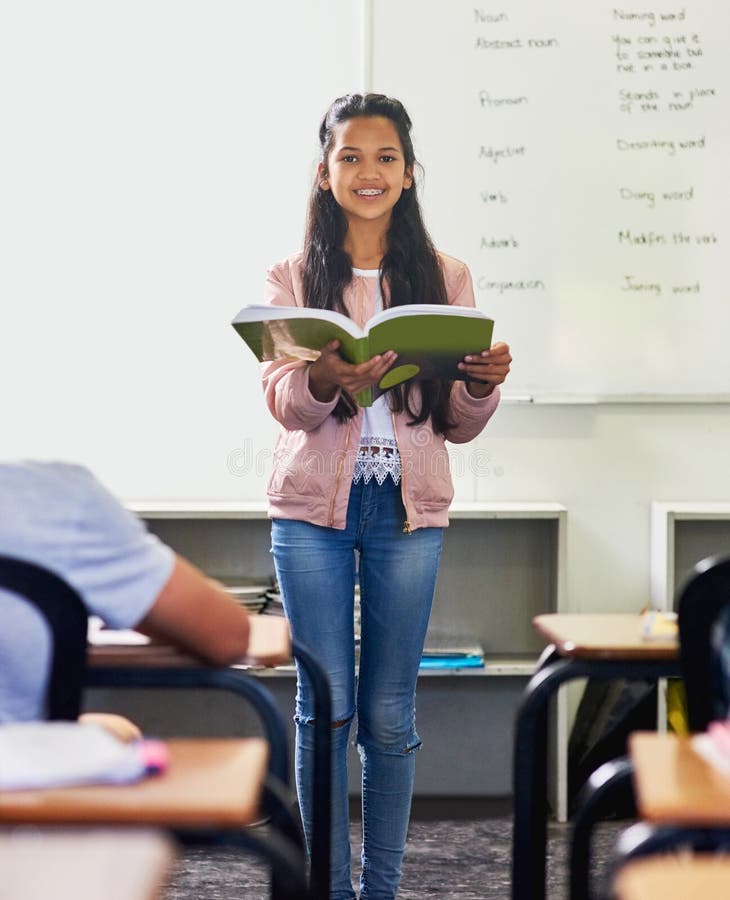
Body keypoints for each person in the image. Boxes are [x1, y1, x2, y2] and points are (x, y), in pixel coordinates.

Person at [259, 93, 512, 899]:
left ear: (408, 174)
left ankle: (382, 890)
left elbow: (460, 425)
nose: (368, 172)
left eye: (385, 158)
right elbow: (281, 402)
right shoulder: (290, 278)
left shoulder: (447, 278)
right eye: (350, 158)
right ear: (324, 172)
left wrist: (480, 385)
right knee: (321, 710)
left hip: (406, 511)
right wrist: (318, 380)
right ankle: (327, 889)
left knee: (391, 717)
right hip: (310, 515)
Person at [0, 460, 287, 729]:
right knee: (118, 732)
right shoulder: (59, 501)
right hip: (27, 764)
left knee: (112, 729)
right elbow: (230, 637)